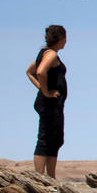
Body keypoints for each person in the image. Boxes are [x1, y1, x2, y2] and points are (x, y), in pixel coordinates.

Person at [25, 25, 68, 178]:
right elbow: (40, 72)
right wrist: (45, 92)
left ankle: (50, 177)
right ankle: (39, 177)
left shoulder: (45, 53)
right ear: (62, 38)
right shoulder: (51, 55)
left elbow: (29, 72)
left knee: (55, 139)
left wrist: (41, 89)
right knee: (46, 139)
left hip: (52, 104)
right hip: (49, 104)